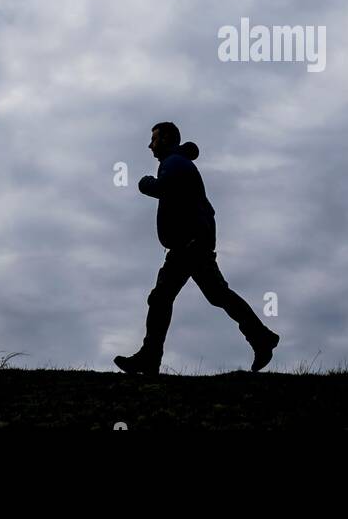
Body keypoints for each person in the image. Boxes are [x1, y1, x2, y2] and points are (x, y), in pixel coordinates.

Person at [114, 122, 280, 375]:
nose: (150, 145)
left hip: (189, 246)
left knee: (165, 298)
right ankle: (261, 337)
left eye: (154, 139)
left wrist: (144, 182)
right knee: (210, 295)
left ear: (167, 138)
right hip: (191, 245)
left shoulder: (174, 163)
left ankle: (150, 357)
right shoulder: (177, 162)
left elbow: (162, 188)